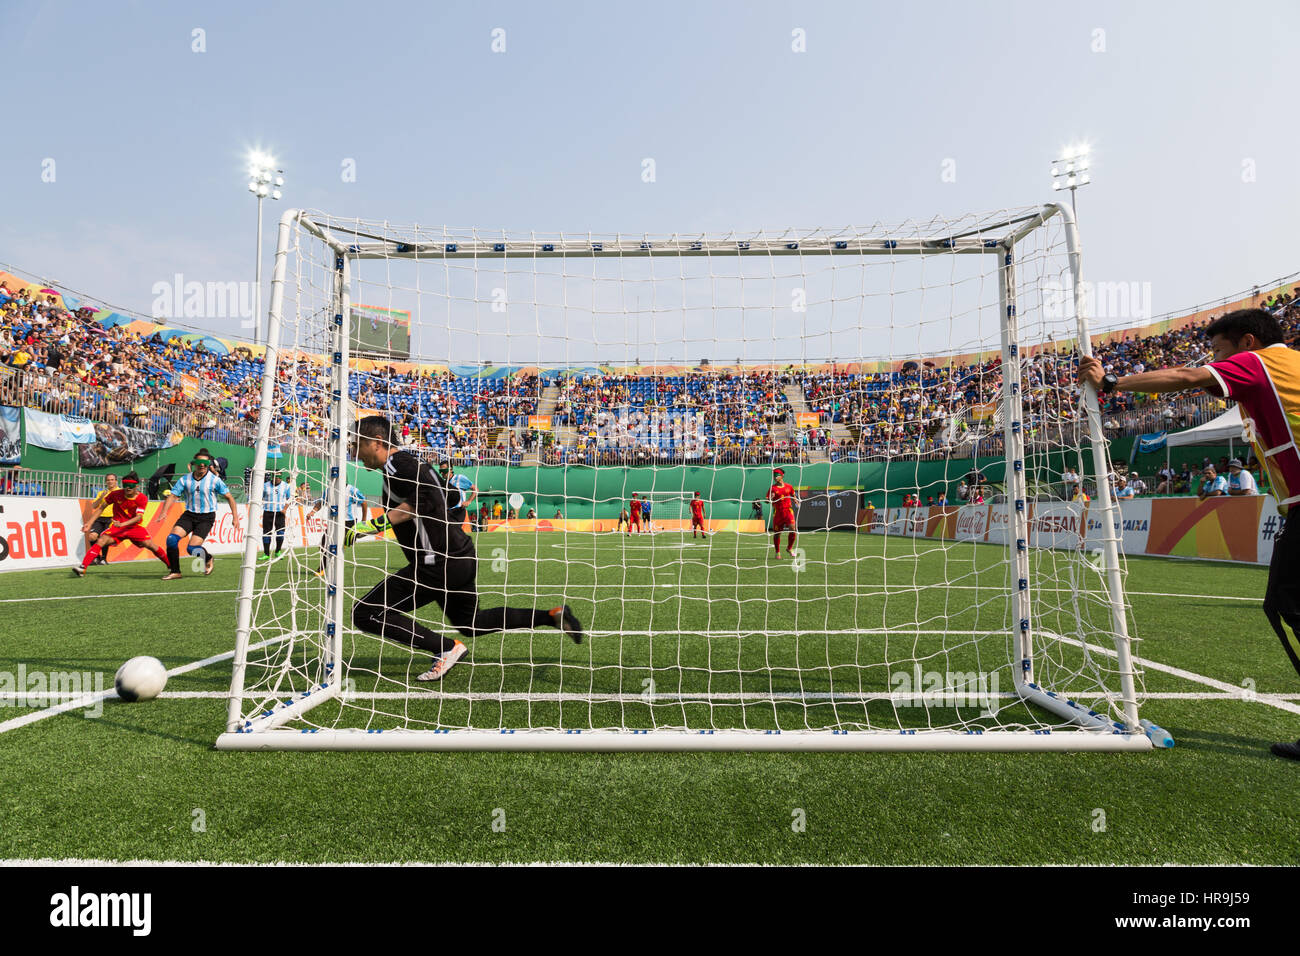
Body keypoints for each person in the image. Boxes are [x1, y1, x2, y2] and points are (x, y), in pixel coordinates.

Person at [1078, 307, 1300, 760]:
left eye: (1219, 351)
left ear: (1246, 343)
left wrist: (1113, 383)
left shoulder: (1259, 363)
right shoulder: (1291, 365)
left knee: (1286, 601)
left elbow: (1185, 376)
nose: (1215, 360)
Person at [347, 415, 584, 682]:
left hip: (435, 563)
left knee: (366, 613)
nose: (354, 451)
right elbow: (449, 495)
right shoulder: (413, 462)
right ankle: (551, 616)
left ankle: (445, 648)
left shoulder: (395, 465)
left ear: (377, 442)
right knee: (472, 623)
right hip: (459, 556)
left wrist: (371, 526)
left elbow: (425, 498)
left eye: (358, 444)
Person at [160, 451, 241, 580]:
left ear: (209, 464)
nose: (202, 465)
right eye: (199, 462)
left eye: (205, 463)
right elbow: (173, 495)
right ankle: (175, 571)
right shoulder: (185, 479)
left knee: (192, 548)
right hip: (189, 515)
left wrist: (235, 518)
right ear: (194, 464)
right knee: (171, 539)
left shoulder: (214, 480)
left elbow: (230, 498)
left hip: (206, 518)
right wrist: (164, 511)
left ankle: (208, 558)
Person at [73, 472, 169, 575]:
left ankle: (171, 566)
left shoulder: (142, 498)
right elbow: (101, 508)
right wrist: (89, 523)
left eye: (130, 486)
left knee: (150, 545)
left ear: (137, 486)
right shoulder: (115, 494)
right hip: (117, 528)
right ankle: (83, 568)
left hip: (134, 528)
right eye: (125, 485)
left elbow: (138, 517)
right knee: (101, 540)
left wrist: (122, 524)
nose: (127, 488)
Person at [305, 480, 368, 575]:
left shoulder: (352, 490)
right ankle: (326, 564)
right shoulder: (329, 490)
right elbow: (320, 502)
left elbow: (364, 503)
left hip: (348, 522)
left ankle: (321, 568)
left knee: (341, 544)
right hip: (334, 521)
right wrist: (312, 512)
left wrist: (363, 521)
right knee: (323, 545)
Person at [83, 473, 120, 566]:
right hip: (100, 518)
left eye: (112, 480)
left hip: (112, 518)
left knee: (105, 538)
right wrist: (100, 497)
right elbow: (94, 506)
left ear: (116, 481)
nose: (110, 482)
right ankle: (96, 557)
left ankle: (103, 559)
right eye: (108, 480)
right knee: (92, 536)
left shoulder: (120, 492)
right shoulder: (102, 492)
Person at [258, 470, 294, 562]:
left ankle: (278, 551)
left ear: (281, 477)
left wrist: (285, 509)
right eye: (275, 477)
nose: (277, 479)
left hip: (280, 513)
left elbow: (290, 498)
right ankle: (266, 554)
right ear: (272, 477)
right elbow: (259, 497)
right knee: (266, 533)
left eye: (279, 477)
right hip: (268, 512)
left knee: (280, 533)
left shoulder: (286, 486)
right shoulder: (265, 485)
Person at [767, 467, 798, 559]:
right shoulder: (772, 488)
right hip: (778, 513)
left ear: (782, 476)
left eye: (777, 475)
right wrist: (771, 498)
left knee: (793, 528)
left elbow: (793, 494)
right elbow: (767, 500)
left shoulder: (789, 486)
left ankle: (789, 548)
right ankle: (777, 552)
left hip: (788, 511)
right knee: (777, 533)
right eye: (774, 475)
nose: (775, 477)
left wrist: (795, 500)